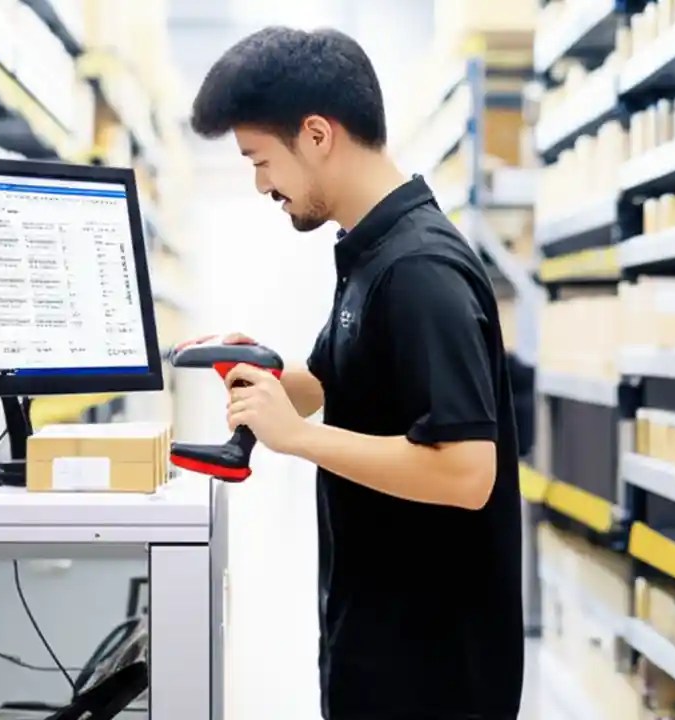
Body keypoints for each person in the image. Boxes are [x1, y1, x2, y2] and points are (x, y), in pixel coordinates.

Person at [186, 26, 525, 720]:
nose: (259, 185)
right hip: (379, 641)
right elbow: (342, 373)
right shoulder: (371, 252)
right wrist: (267, 380)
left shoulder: (419, 270)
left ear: (316, 134)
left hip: (431, 677)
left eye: (259, 160)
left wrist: (297, 439)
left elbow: (466, 473)